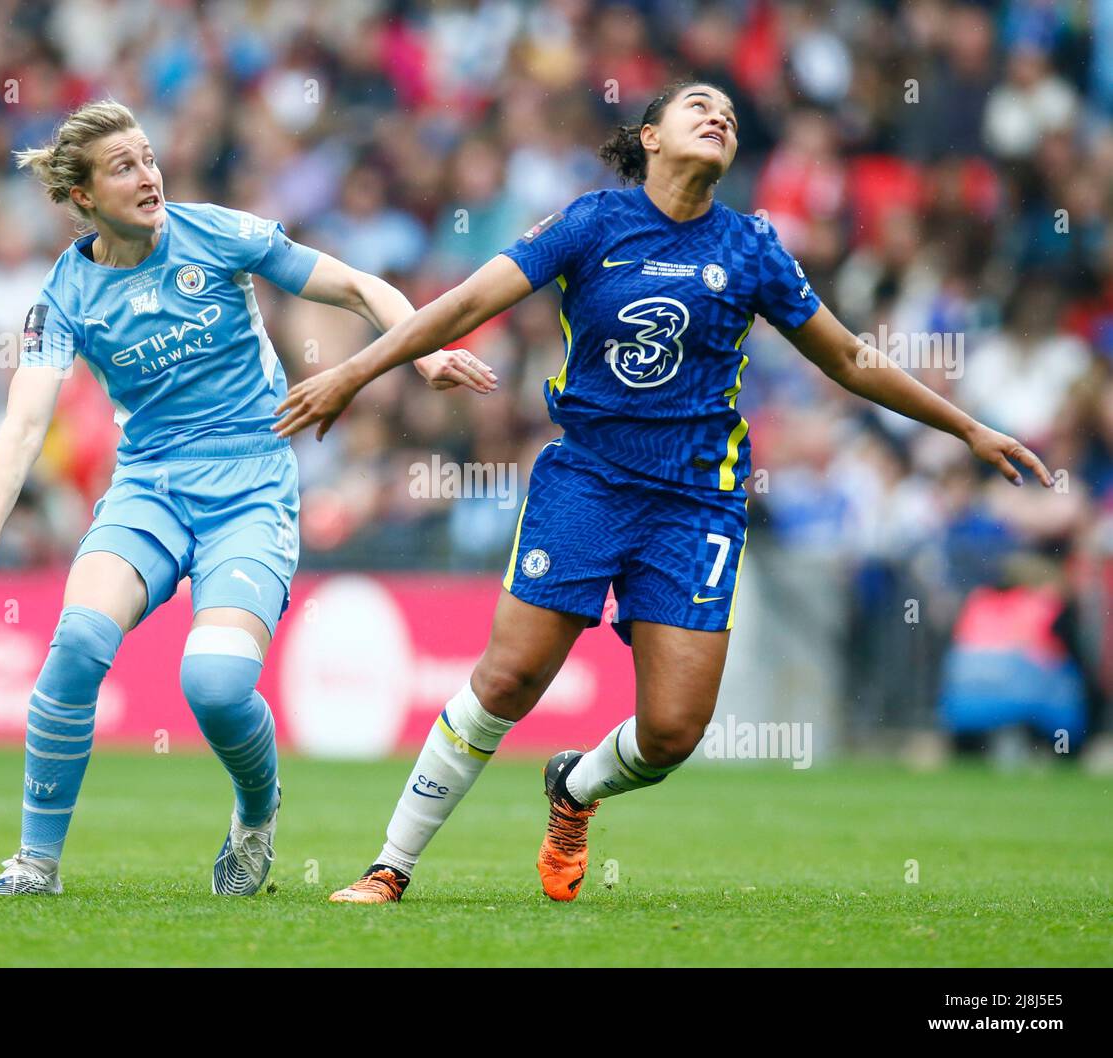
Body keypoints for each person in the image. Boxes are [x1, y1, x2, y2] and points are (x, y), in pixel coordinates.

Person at [273, 81, 1053, 904]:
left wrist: (966, 428)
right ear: (649, 136)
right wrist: (356, 373)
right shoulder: (590, 222)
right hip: (588, 481)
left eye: (728, 113)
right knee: (505, 681)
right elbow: (467, 302)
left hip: (696, 501)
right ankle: (390, 868)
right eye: (697, 107)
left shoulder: (752, 246)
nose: (719, 117)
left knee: (674, 732)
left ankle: (573, 789)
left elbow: (849, 360)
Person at [0, 99, 495, 897]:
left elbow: (362, 287)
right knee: (76, 645)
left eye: (150, 157)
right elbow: (24, 422)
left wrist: (425, 357)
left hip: (252, 486)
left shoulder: (216, 232)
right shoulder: (63, 296)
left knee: (216, 687)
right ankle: (35, 865)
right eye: (124, 166)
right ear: (83, 196)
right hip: (149, 487)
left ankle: (256, 815)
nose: (149, 174)